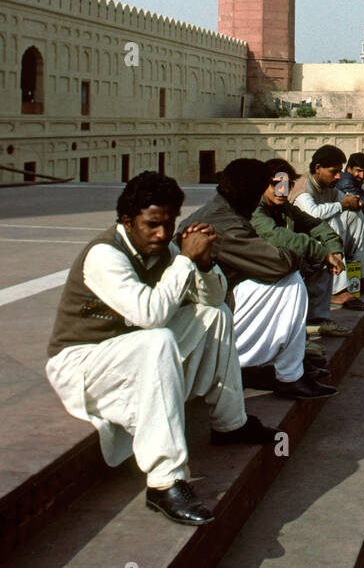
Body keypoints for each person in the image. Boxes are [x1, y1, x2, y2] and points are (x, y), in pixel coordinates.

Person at [45, 171, 275, 527]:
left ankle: (230, 424)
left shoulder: (164, 248)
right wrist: (183, 260)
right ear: (127, 221)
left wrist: (203, 262)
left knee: (214, 315)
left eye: (169, 225)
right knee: (158, 338)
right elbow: (150, 315)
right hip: (83, 361)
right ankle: (164, 481)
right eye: (152, 225)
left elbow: (214, 301)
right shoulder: (104, 255)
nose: (162, 234)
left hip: (128, 351)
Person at [179, 159, 336, 401]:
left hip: (211, 303)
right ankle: (290, 376)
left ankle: (277, 366)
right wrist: (307, 253)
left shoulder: (224, 211)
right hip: (202, 322)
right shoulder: (226, 224)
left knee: (282, 279)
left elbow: (305, 228)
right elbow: (278, 263)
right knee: (290, 281)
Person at [252, 158, 345, 361]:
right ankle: (290, 337)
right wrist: (323, 253)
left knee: (317, 260)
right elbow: (277, 236)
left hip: (278, 269)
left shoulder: (285, 208)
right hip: (254, 279)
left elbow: (315, 224)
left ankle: (314, 320)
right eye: (276, 184)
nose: (281, 190)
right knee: (297, 263)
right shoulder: (256, 209)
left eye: (287, 185)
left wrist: (334, 250)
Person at [288, 145, 364, 310]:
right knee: (330, 219)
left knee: (355, 216)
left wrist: (353, 203)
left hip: (326, 244)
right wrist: (342, 205)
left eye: (340, 171)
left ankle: (363, 276)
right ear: (318, 168)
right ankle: (337, 290)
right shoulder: (304, 188)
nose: (338, 177)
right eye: (333, 172)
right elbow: (313, 214)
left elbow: (347, 201)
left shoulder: (328, 186)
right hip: (303, 247)